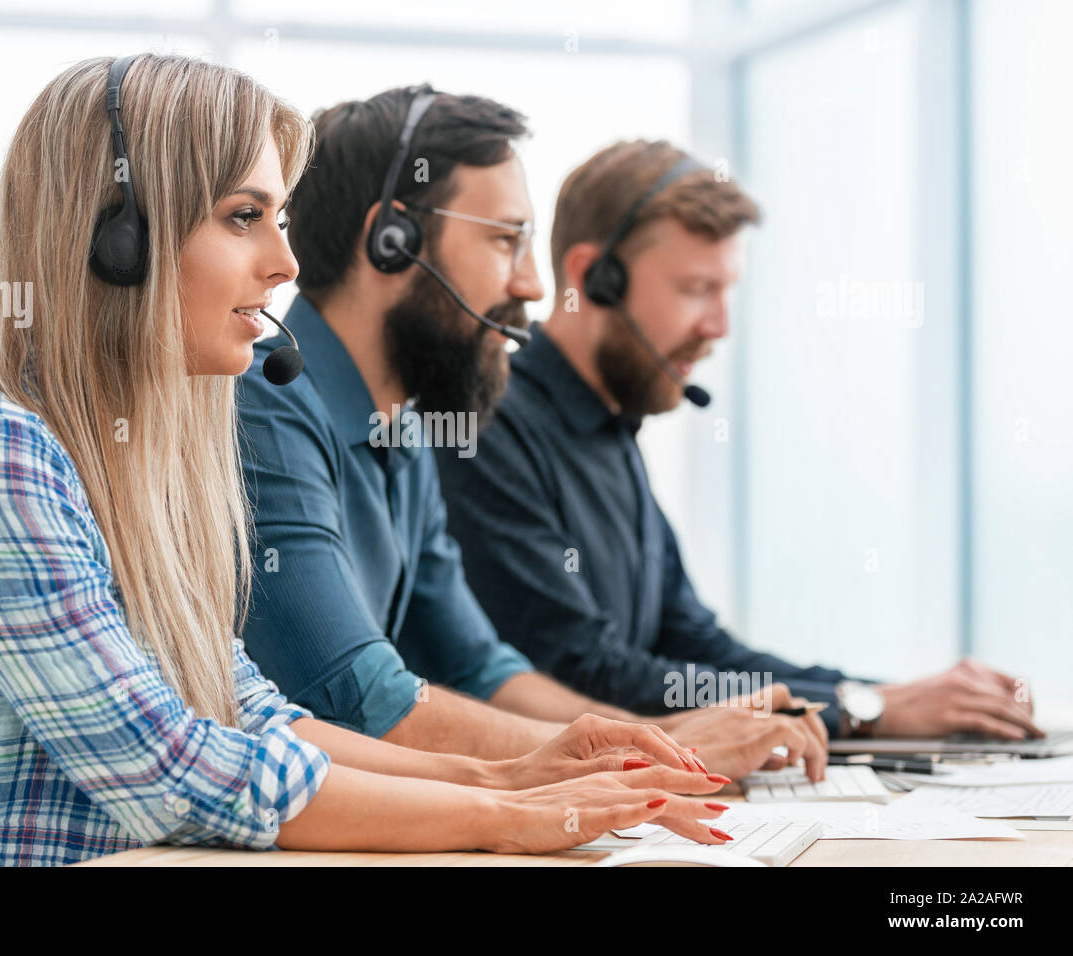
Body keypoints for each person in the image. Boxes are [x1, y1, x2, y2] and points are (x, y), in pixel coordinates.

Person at [0, 57, 729, 867]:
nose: (285, 260)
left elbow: (248, 711)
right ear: (115, 242)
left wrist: (509, 773)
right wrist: (501, 814)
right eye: (244, 216)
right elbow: (168, 770)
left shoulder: (150, 460)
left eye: (280, 216)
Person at [237, 85, 828, 782]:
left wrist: (668, 736)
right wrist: (643, 753)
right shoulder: (265, 405)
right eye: (505, 240)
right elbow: (363, 701)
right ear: (392, 242)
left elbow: (480, 668)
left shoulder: (407, 427)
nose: (532, 285)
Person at [434, 138, 1043, 744]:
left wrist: (880, 697)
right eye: (696, 289)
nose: (719, 327)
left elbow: (694, 644)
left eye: (726, 291)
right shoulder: (489, 427)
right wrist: (860, 712)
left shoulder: (609, 427)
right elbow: (585, 670)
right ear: (594, 278)